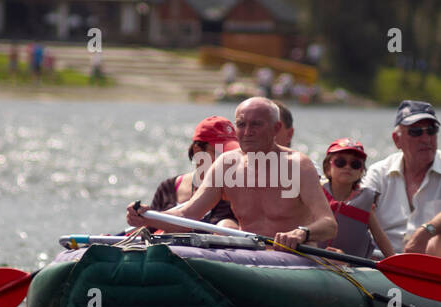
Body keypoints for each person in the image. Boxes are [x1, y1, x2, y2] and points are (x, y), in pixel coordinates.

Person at [127, 97, 335, 248]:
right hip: (250, 255)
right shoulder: (226, 164)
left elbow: (329, 224)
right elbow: (187, 214)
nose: (247, 132)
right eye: (241, 124)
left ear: (276, 128)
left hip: (294, 257)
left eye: (256, 124)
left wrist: (302, 233)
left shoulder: (298, 165)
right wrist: (146, 216)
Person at [362, 101, 441, 257]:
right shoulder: (378, 173)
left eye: (431, 130)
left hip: (440, 259)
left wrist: (425, 231)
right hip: (385, 260)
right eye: (416, 132)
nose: (426, 138)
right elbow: (357, 212)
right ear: (397, 140)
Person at [149, 116, 240, 226]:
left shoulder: (236, 193)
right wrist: (141, 215)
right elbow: (147, 231)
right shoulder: (167, 188)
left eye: (231, 153)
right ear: (198, 151)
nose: (227, 160)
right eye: (220, 153)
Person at [319, 138, 394, 259]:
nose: (347, 167)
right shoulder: (316, 194)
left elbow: (380, 238)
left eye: (355, 164)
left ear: (361, 171)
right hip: (314, 262)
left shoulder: (365, 203)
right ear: (328, 168)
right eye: (340, 162)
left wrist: (393, 260)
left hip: (351, 267)